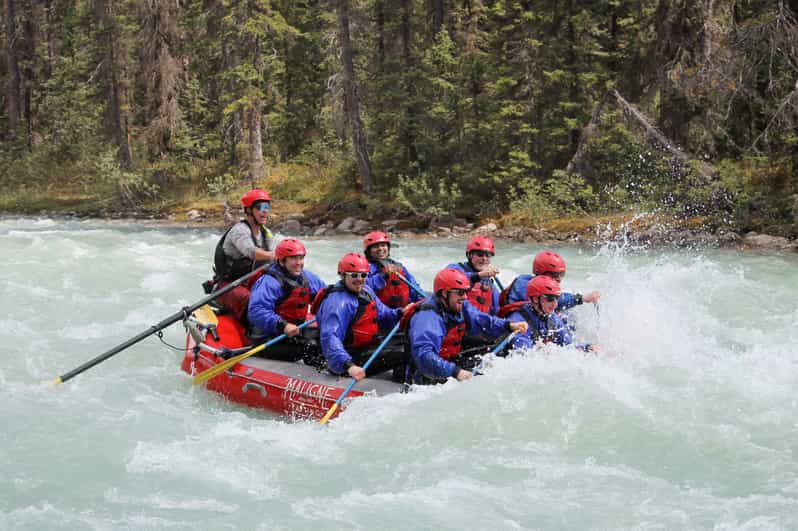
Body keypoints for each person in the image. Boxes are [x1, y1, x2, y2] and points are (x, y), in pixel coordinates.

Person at [405, 268, 528, 383]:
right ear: (444, 294)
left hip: (450, 362)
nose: (464, 297)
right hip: (427, 375)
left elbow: (481, 320)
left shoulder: (459, 305)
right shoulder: (428, 318)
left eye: (465, 292)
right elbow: (424, 356)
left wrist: (508, 325)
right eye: (460, 293)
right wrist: (455, 372)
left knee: (497, 359)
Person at [314, 252, 407, 381]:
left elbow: (384, 315)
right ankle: (401, 385)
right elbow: (330, 337)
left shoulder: (366, 291)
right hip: (349, 358)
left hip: (366, 347)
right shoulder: (338, 303)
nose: (359, 279)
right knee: (403, 352)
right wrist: (349, 366)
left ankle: (408, 379)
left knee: (408, 340)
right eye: (354, 275)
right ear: (342, 275)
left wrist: (401, 313)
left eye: (363, 275)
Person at [247, 239, 325, 361]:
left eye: (301, 258)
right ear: (282, 261)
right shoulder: (269, 282)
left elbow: (324, 295)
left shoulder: (306, 277)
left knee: (325, 338)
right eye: (293, 258)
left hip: (295, 331)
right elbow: (257, 311)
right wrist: (283, 325)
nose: (298, 263)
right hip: (270, 338)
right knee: (311, 347)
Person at [211, 189, 275, 323]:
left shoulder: (266, 233)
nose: (265, 211)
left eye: (267, 207)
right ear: (249, 210)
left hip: (253, 282)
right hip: (229, 285)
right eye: (260, 207)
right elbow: (251, 252)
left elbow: (272, 261)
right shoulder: (239, 231)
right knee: (252, 301)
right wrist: (275, 255)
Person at [504, 275, 597, 352]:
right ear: (535, 299)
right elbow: (523, 352)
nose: (555, 304)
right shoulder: (518, 321)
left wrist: (587, 348)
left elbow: (569, 346)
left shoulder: (552, 318)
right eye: (550, 299)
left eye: (557, 298)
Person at [500, 250, 600, 312]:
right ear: (540, 273)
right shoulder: (524, 285)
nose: (559, 279)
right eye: (555, 275)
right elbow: (552, 300)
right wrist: (581, 298)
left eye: (562, 274)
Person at [363, 231, 425, 308]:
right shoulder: (364, 269)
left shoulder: (398, 266)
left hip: (404, 309)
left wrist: (421, 302)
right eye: (375, 247)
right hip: (381, 312)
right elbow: (363, 288)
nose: (380, 249)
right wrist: (383, 276)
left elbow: (414, 287)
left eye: (383, 245)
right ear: (368, 251)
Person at [445, 235, 501, 315]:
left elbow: (496, 310)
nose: (484, 258)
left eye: (488, 255)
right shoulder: (455, 268)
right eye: (480, 254)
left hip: (481, 321)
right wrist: (478, 275)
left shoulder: (489, 283)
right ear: (469, 255)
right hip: (457, 319)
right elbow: (451, 280)